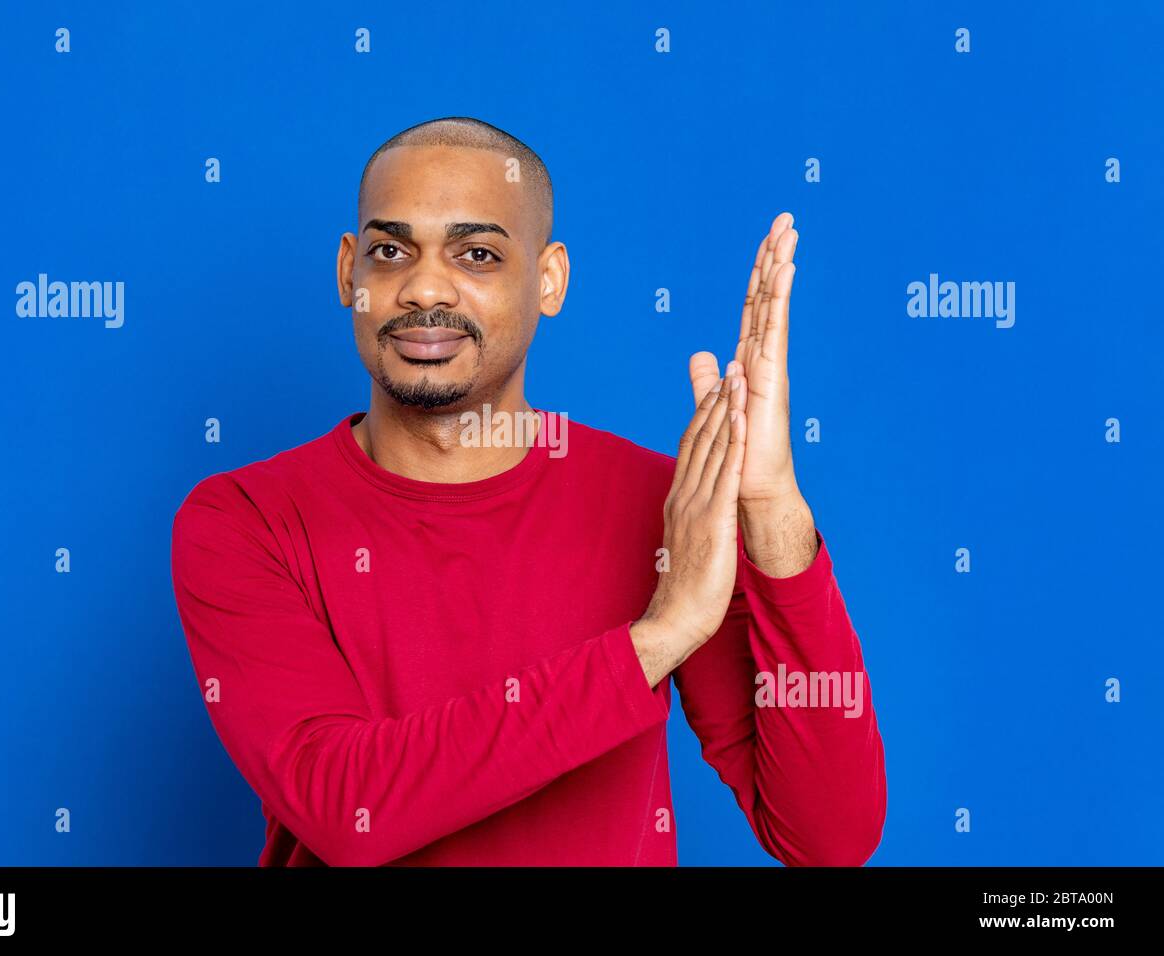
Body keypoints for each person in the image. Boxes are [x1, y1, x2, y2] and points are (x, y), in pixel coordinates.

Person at [170, 116, 886, 866]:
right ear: (350, 272)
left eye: (475, 254)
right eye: (390, 252)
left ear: (549, 281)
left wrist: (772, 517)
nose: (423, 288)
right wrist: (656, 639)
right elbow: (347, 806)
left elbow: (829, 837)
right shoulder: (242, 521)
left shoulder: (667, 508)